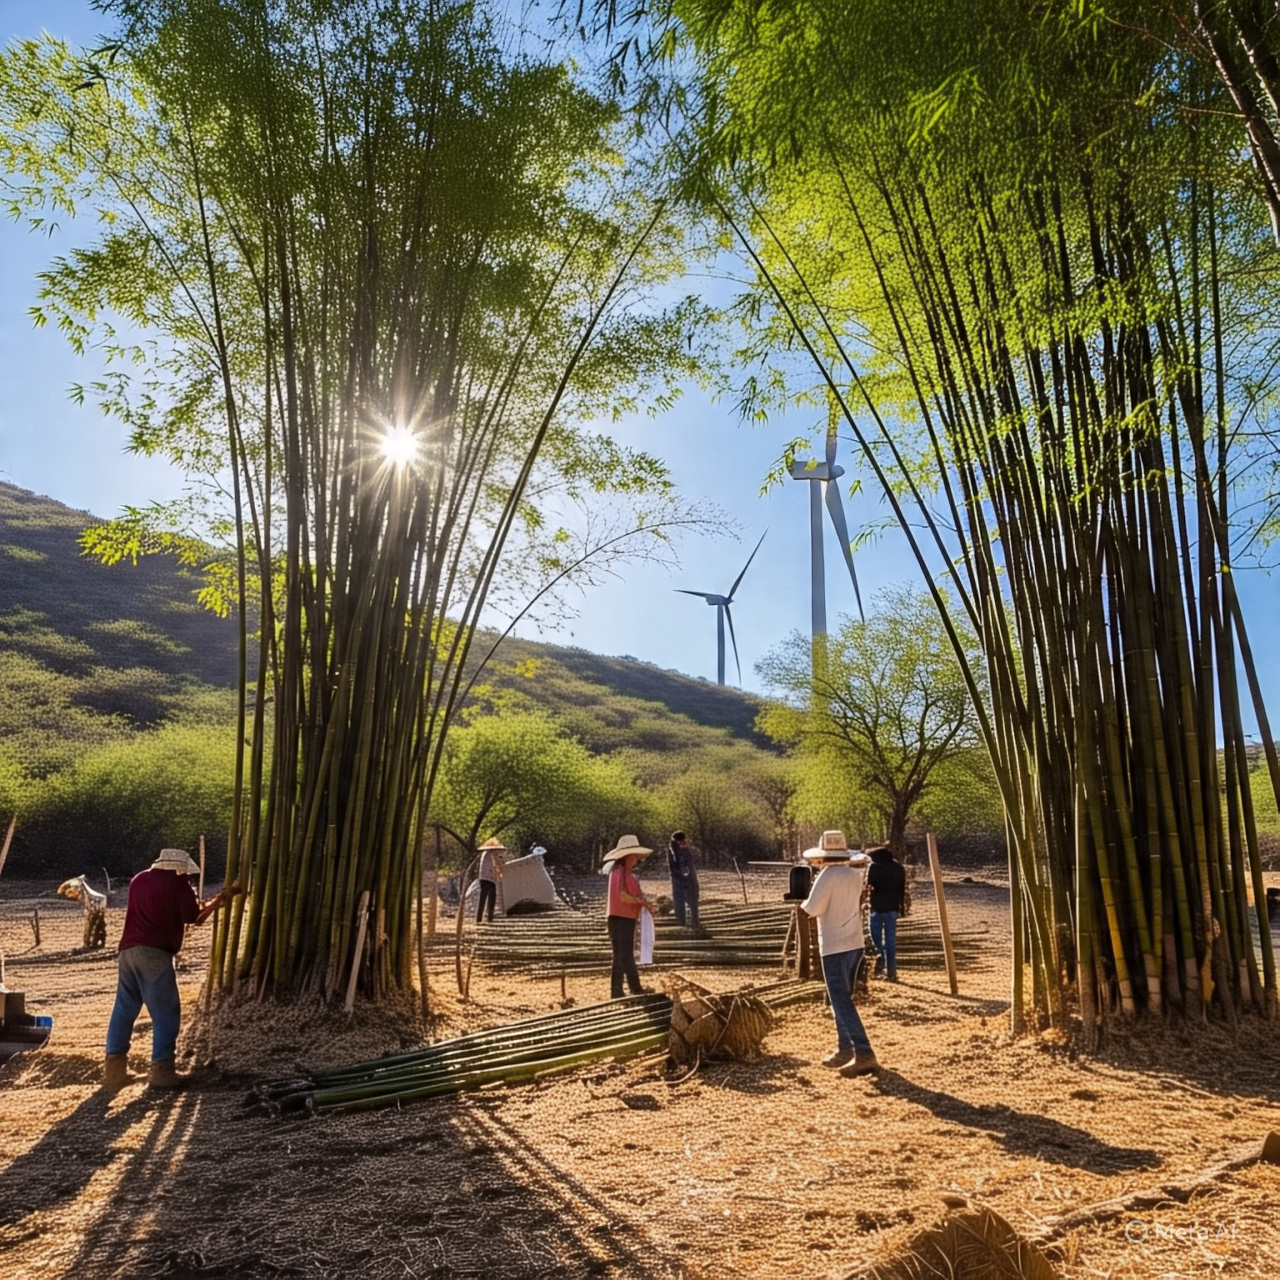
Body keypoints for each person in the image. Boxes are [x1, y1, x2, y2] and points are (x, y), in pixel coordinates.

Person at [103, 848, 242, 1090]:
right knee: (166, 1011)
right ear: (179, 868)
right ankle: (162, 1071)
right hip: (154, 954)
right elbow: (194, 917)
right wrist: (223, 897)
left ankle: (114, 1071)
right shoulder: (179, 884)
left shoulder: (139, 880)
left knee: (124, 1008)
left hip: (127, 952)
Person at [801, 830, 879, 1077]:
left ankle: (863, 1051)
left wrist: (801, 902)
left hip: (833, 944)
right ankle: (845, 1049)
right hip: (854, 942)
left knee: (840, 1000)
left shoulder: (826, 876)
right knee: (844, 997)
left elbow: (813, 909)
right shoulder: (854, 875)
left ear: (823, 856)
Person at [603, 834, 656, 999]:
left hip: (623, 916)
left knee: (621, 954)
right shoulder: (619, 872)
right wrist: (642, 902)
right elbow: (622, 896)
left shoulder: (624, 872)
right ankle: (634, 988)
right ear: (627, 856)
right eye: (634, 856)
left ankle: (618, 990)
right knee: (624, 954)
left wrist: (643, 903)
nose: (636, 859)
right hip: (621, 917)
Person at [865, 844, 906, 981]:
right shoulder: (898, 867)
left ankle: (882, 958)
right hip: (893, 907)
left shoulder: (874, 866)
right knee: (890, 941)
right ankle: (891, 972)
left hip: (877, 907)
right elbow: (901, 890)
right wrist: (901, 908)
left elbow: (869, 884)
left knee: (875, 937)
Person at [667, 830, 701, 929]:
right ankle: (692, 922)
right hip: (685, 879)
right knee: (690, 900)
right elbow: (685, 864)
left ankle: (683, 922)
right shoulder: (679, 850)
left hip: (677, 878)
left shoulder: (672, 848)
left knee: (681, 901)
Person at [476, 837, 505, 923]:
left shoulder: (487, 854)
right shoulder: (489, 855)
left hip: (485, 878)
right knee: (490, 897)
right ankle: (488, 917)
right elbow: (493, 866)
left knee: (484, 897)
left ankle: (482, 917)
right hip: (487, 878)